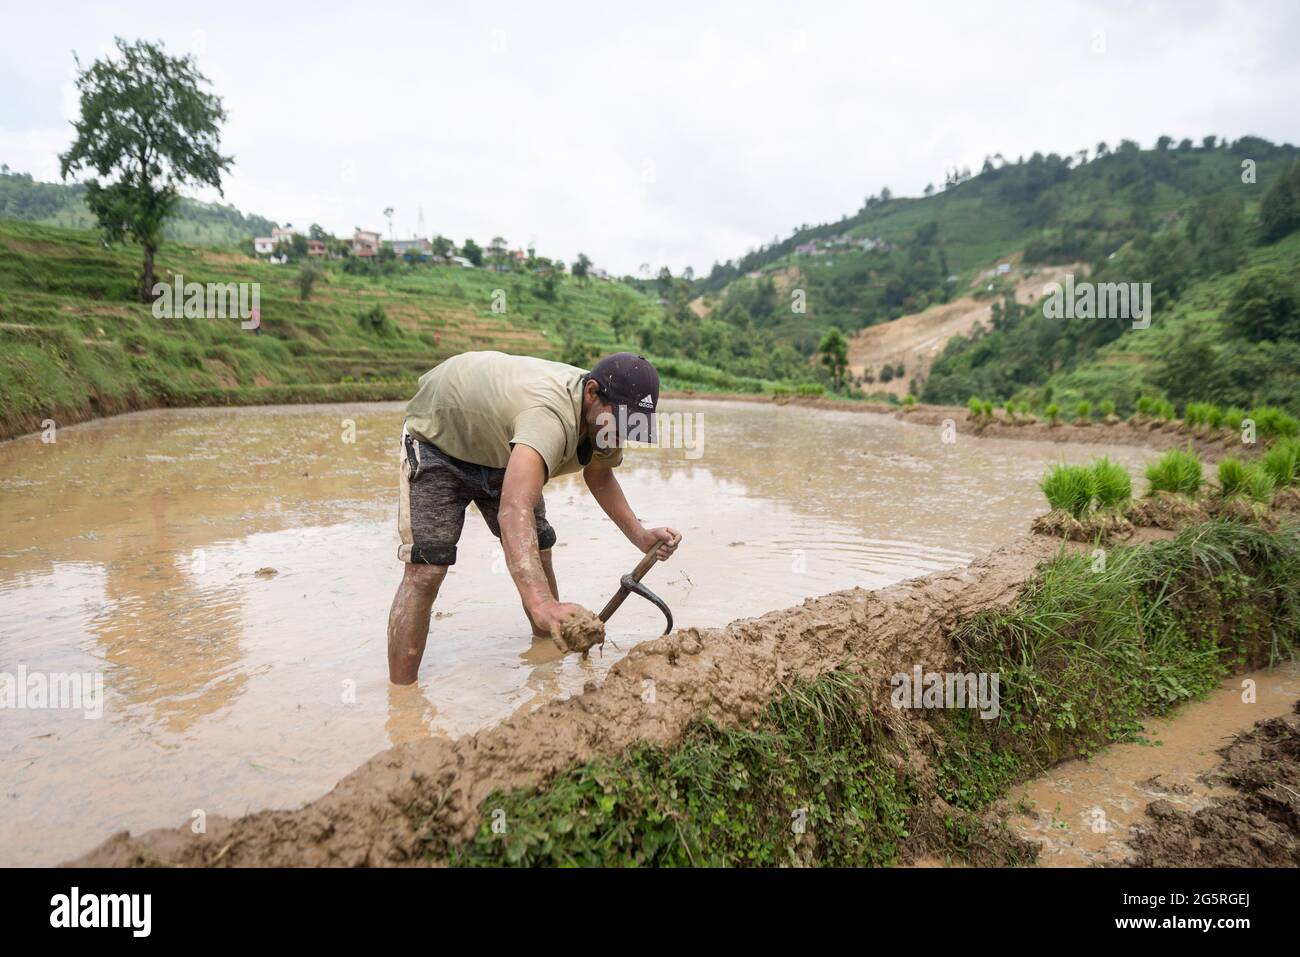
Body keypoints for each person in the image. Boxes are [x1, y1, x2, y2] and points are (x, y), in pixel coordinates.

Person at [388, 350, 682, 684]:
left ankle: (548, 672)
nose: (623, 435)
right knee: (426, 571)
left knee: (539, 553)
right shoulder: (549, 417)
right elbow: (514, 510)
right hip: (439, 438)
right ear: (591, 394)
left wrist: (640, 536)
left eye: (634, 426)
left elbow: (599, 476)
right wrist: (541, 602)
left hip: (503, 442)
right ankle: (401, 700)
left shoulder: (607, 419)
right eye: (623, 422)